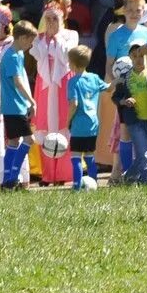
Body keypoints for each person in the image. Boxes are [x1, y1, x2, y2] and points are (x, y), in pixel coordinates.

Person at [104, 0, 147, 176]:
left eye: (138, 10)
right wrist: (113, 82)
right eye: (131, 10)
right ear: (123, 11)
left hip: (146, 88)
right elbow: (109, 63)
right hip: (126, 89)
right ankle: (126, 171)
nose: (134, 14)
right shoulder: (116, 35)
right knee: (125, 130)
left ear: (144, 11)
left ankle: (146, 170)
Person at [31, 0, 77, 185]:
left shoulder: (70, 35)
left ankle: (64, 173)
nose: (51, 23)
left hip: (63, 83)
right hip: (45, 85)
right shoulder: (39, 38)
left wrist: (56, 39)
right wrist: (46, 40)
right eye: (48, 18)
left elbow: (67, 55)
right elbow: (36, 54)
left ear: (62, 18)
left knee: (63, 123)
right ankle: (48, 174)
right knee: (46, 125)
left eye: (54, 19)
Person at [113, 45, 147, 185]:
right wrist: (124, 101)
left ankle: (129, 177)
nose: (138, 59)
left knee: (146, 154)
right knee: (144, 153)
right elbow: (115, 97)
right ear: (130, 58)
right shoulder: (125, 77)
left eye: (141, 56)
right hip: (134, 121)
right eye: (134, 56)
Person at [0, 19, 38, 190]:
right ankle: (13, 177)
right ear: (22, 38)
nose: (31, 45)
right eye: (30, 41)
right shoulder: (13, 56)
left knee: (14, 142)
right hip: (14, 106)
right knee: (30, 139)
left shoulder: (17, 54)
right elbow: (18, 81)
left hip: (13, 106)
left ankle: (7, 181)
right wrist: (31, 100)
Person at [64, 45, 108, 190]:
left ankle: (77, 187)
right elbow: (108, 87)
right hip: (93, 125)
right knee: (90, 156)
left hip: (78, 125)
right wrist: (118, 80)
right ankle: (93, 183)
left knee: (76, 157)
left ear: (73, 64)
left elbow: (74, 104)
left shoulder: (73, 81)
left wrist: (68, 120)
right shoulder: (94, 78)